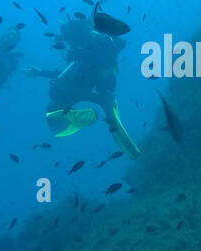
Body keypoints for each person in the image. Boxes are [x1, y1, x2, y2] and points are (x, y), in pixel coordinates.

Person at [29, 17, 140, 158]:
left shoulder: (80, 53)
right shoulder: (100, 44)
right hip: (102, 86)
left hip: (89, 88)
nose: (68, 45)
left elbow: (66, 76)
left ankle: (93, 113)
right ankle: (102, 105)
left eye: (69, 41)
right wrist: (41, 72)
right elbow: (68, 73)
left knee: (55, 98)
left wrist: (44, 74)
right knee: (101, 101)